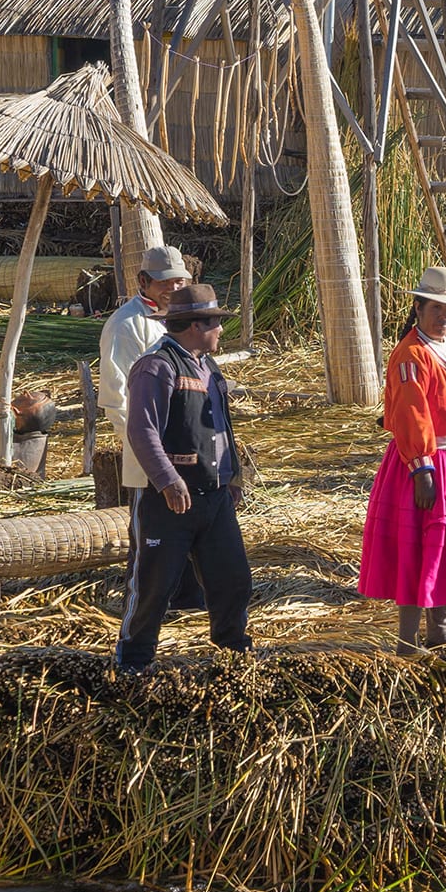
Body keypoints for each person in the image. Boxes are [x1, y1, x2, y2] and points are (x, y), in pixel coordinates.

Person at [112, 284, 252, 674]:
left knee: (233, 580)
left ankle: (234, 655)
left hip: (214, 496)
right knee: (154, 586)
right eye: (215, 323)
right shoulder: (156, 366)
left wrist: (232, 475)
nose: (221, 330)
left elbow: (222, 428)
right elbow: (142, 432)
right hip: (167, 500)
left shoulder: (208, 367)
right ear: (194, 325)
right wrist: (168, 479)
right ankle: (133, 662)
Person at [359, 267, 446, 653]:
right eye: (438, 309)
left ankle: (439, 626)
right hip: (430, 466)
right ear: (418, 307)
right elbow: (411, 413)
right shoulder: (411, 354)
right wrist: (422, 469)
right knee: (420, 546)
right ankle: (407, 639)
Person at [97, 244, 206, 608]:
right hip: (153, 458)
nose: (173, 290)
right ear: (143, 281)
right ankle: (142, 613)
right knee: (152, 542)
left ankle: (186, 607)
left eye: (179, 283)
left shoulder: (184, 319)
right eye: (164, 284)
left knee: (190, 537)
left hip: (190, 454)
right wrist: (154, 455)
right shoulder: (126, 325)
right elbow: (118, 402)